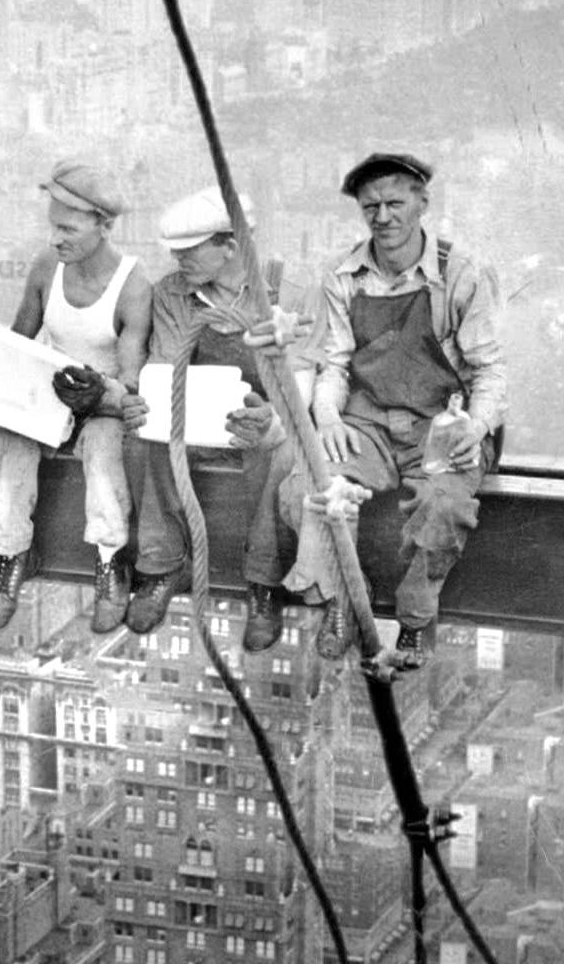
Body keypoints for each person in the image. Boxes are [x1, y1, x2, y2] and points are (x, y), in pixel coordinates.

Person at [279, 153, 505, 659]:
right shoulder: (342, 275)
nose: (383, 218)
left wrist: (478, 428)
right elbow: (333, 364)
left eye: (395, 203)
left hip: (442, 424)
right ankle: (336, 595)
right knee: (314, 485)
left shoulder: (462, 274)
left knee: (444, 506)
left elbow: (490, 371)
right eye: (371, 206)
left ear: (422, 203)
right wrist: (330, 417)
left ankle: (416, 617)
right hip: (369, 420)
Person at [117, 187, 299, 648]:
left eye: (189, 251)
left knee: (276, 450)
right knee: (144, 436)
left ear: (231, 247)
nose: (177, 260)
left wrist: (270, 419)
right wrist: (151, 404)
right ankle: (161, 564)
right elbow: (165, 366)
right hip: (195, 418)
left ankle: (263, 582)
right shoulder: (173, 294)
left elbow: (302, 384)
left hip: (261, 421)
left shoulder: (285, 292)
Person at [0, 160, 151, 632]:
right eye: (53, 226)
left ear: (105, 226)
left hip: (100, 401)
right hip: (51, 389)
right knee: (10, 438)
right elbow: (21, 339)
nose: (56, 238)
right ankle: (13, 553)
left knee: (101, 450)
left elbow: (131, 379)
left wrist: (102, 393)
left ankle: (110, 559)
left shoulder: (132, 287)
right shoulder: (45, 266)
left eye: (68, 228)